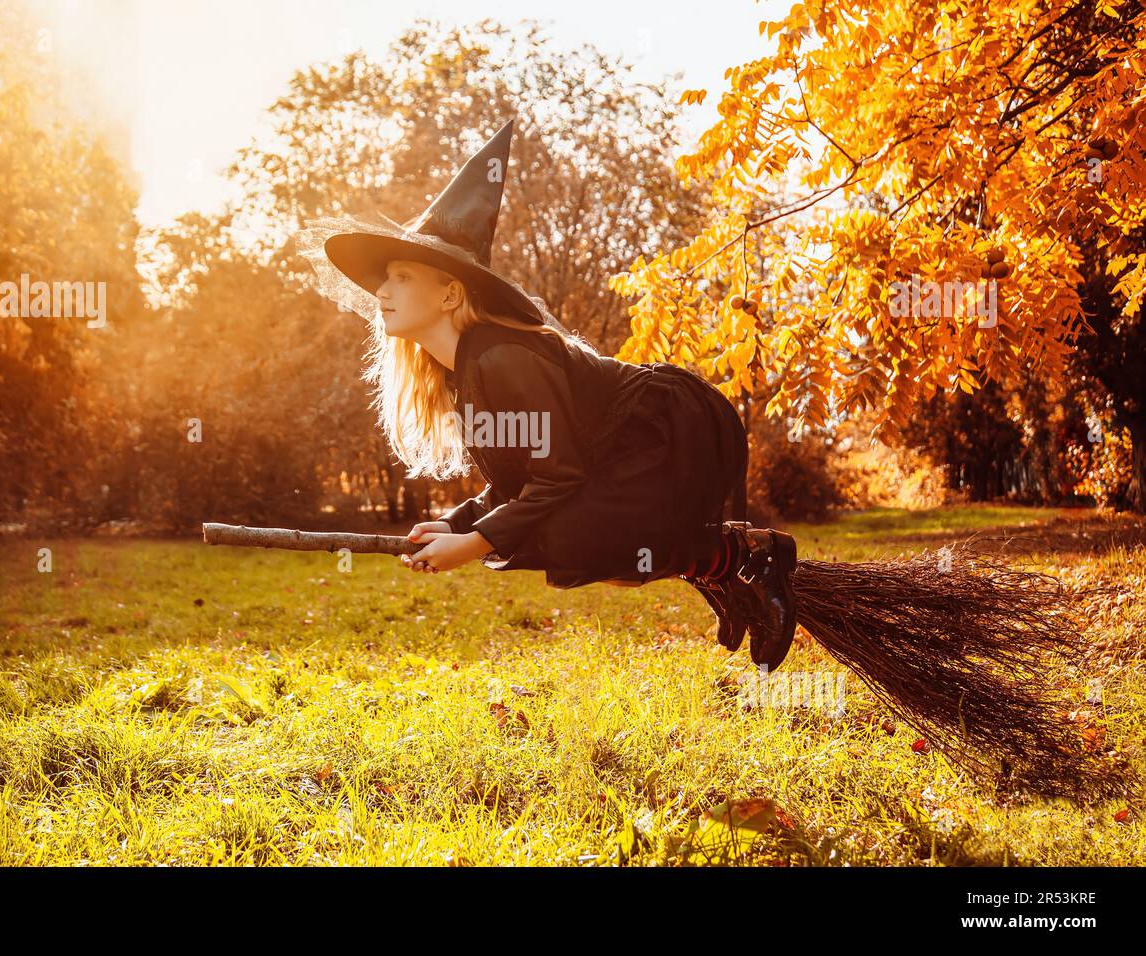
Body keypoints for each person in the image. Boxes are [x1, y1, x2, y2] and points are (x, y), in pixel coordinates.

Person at [293, 118, 799, 672]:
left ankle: (747, 558)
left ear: (450, 294)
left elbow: (556, 479)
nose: (383, 292)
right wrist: (458, 523)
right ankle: (720, 568)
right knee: (557, 537)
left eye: (403, 277)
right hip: (621, 446)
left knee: (567, 536)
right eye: (384, 279)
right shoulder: (464, 370)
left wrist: (473, 544)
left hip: (667, 428)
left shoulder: (499, 357)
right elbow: (522, 479)